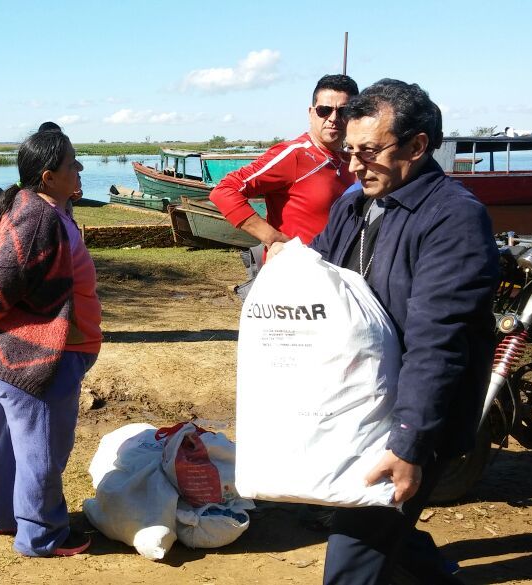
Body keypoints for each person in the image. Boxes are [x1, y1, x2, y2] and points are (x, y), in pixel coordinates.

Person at [271, 79, 499, 584]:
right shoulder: (355, 203)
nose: (353, 166)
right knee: (384, 530)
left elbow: (440, 342)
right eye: (349, 151)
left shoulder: (453, 219)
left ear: (418, 146)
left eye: (368, 152)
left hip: (416, 415)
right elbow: (322, 284)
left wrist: (409, 444)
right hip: (361, 403)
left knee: (354, 555)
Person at [0, 129, 102, 557]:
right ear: (49, 176)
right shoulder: (38, 217)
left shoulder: (42, 208)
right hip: (37, 359)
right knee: (42, 451)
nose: (80, 169)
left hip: (14, 356)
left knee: (9, 445)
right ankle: (41, 535)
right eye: (73, 164)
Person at [210, 74, 358, 286]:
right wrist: (273, 238)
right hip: (294, 280)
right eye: (324, 110)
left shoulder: (352, 161)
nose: (333, 118)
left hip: (338, 279)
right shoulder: (293, 155)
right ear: (311, 113)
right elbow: (224, 191)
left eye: (344, 111)